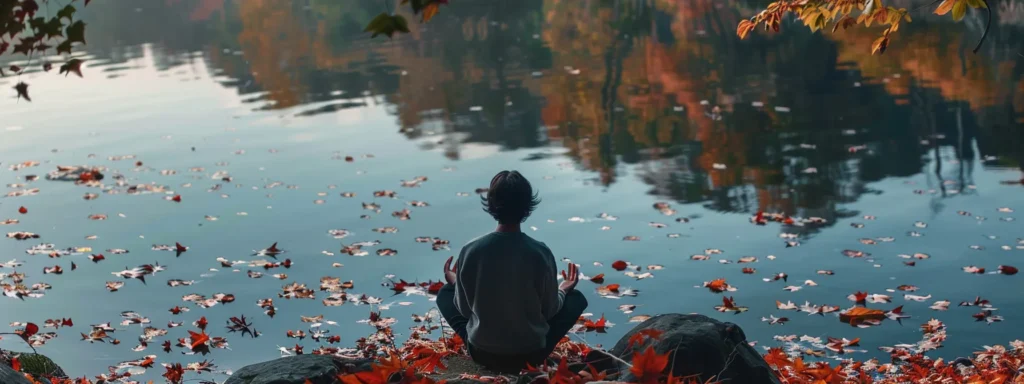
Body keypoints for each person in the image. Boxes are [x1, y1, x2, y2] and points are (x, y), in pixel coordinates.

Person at [436, 170, 588, 373]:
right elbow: (549, 310)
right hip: (531, 354)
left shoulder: (471, 250)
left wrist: (455, 283)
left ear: (491, 205)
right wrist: (563, 290)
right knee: (576, 298)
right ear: (527, 207)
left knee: (445, 294)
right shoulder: (540, 252)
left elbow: (464, 310)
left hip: (482, 352)